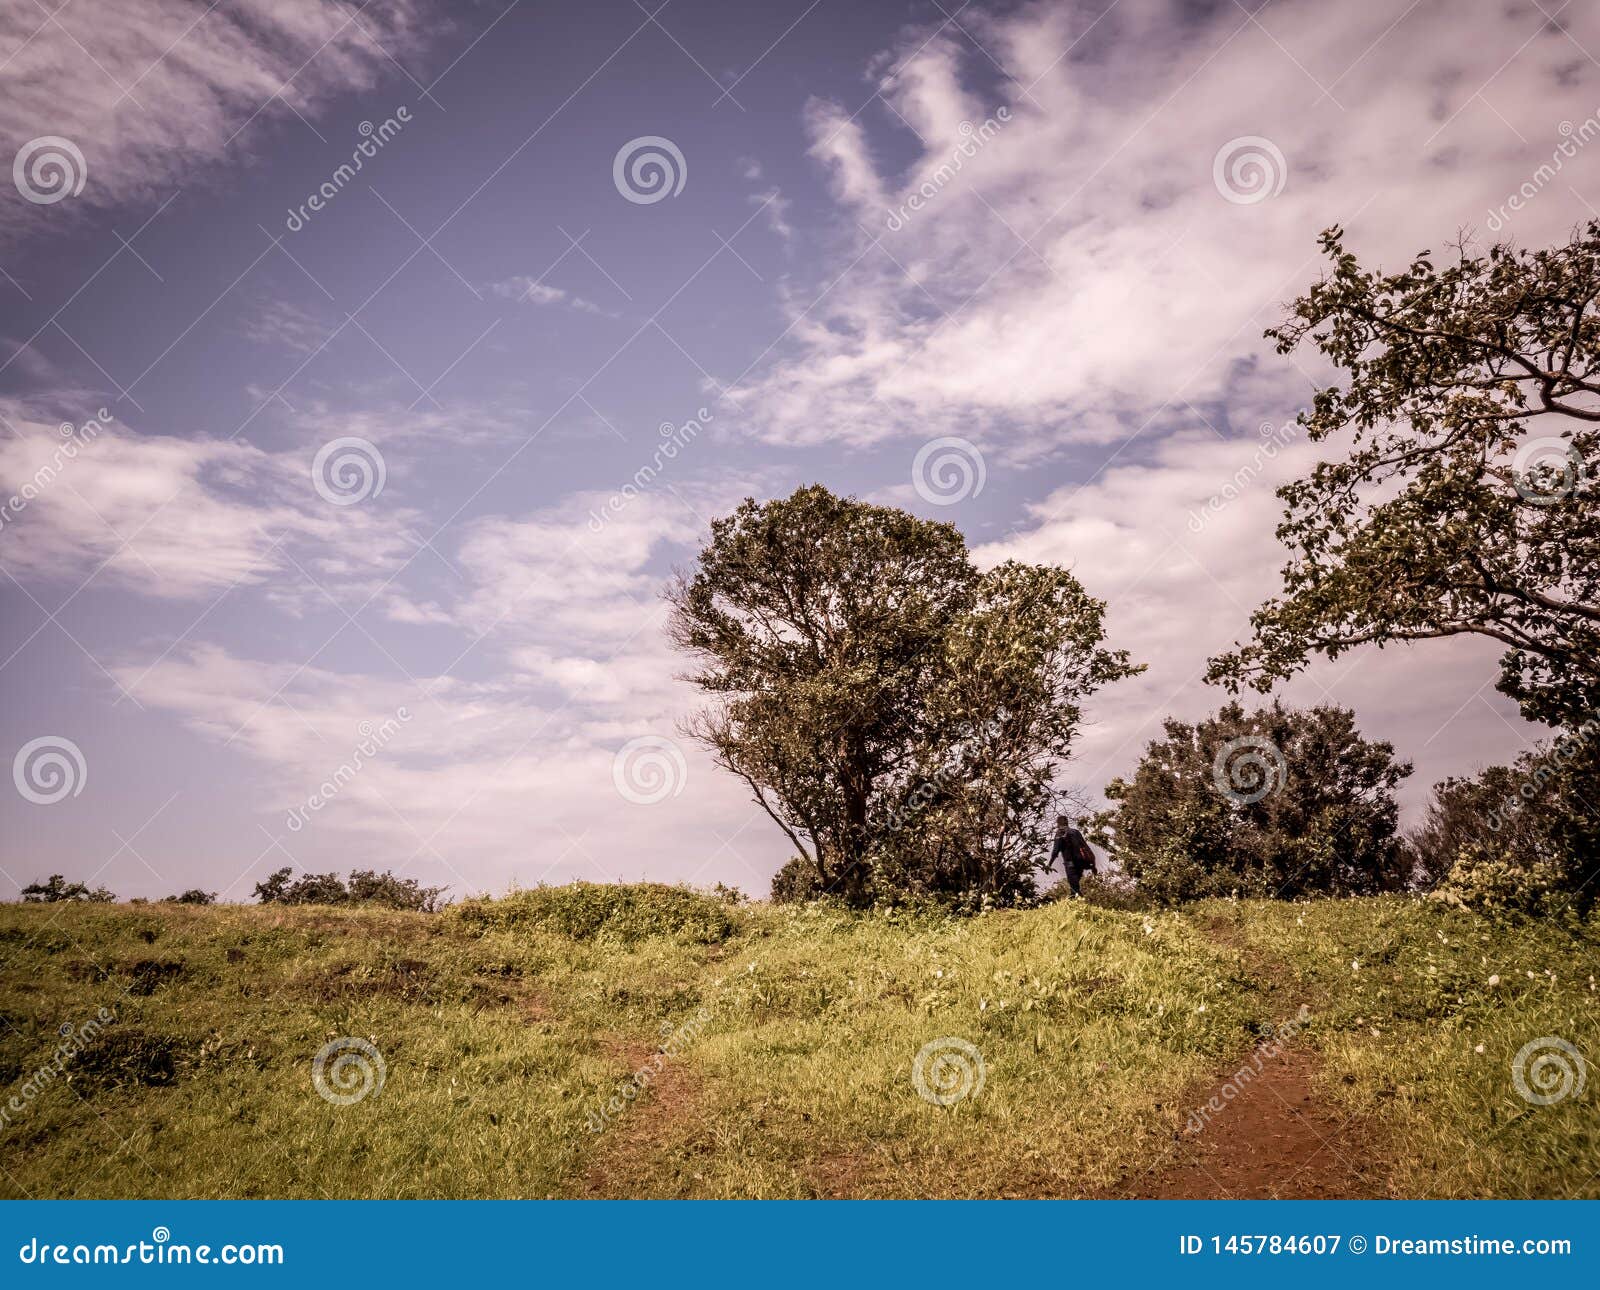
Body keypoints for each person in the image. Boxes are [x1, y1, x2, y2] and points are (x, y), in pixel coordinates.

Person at [1049, 815, 1096, 897]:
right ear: (1067, 822)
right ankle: (1078, 901)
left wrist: (1049, 864)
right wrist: (1093, 865)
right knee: (1075, 886)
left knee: (1074, 889)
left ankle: (1079, 904)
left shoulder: (1059, 834)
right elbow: (1085, 847)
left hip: (1071, 864)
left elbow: (1055, 851)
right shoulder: (1075, 832)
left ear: (1058, 823)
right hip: (1081, 863)